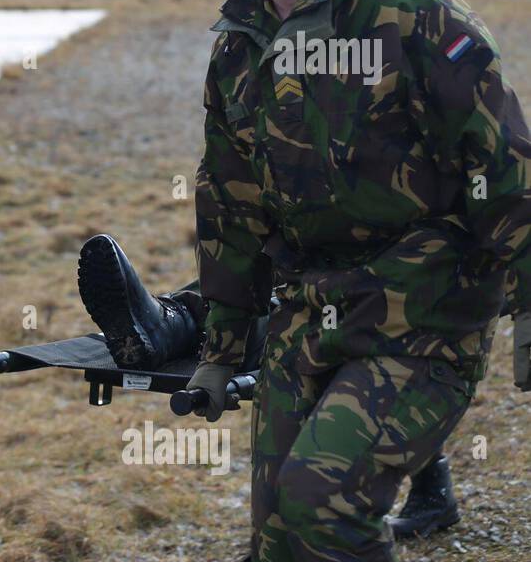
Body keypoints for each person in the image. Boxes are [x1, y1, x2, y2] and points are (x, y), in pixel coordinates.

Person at [173, 0, 531, 562]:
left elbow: (507, 173)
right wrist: (219, 347)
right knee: (274, 546)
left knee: (323, 500)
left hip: (424, 316)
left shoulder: (413, 18)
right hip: (308, 315)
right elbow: (230, 201)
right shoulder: (242, 42)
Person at [77, 231, 460, 539]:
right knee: (270, 259)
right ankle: (176, 320)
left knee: (297, 301)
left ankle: (174, 324)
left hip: (410, 283)